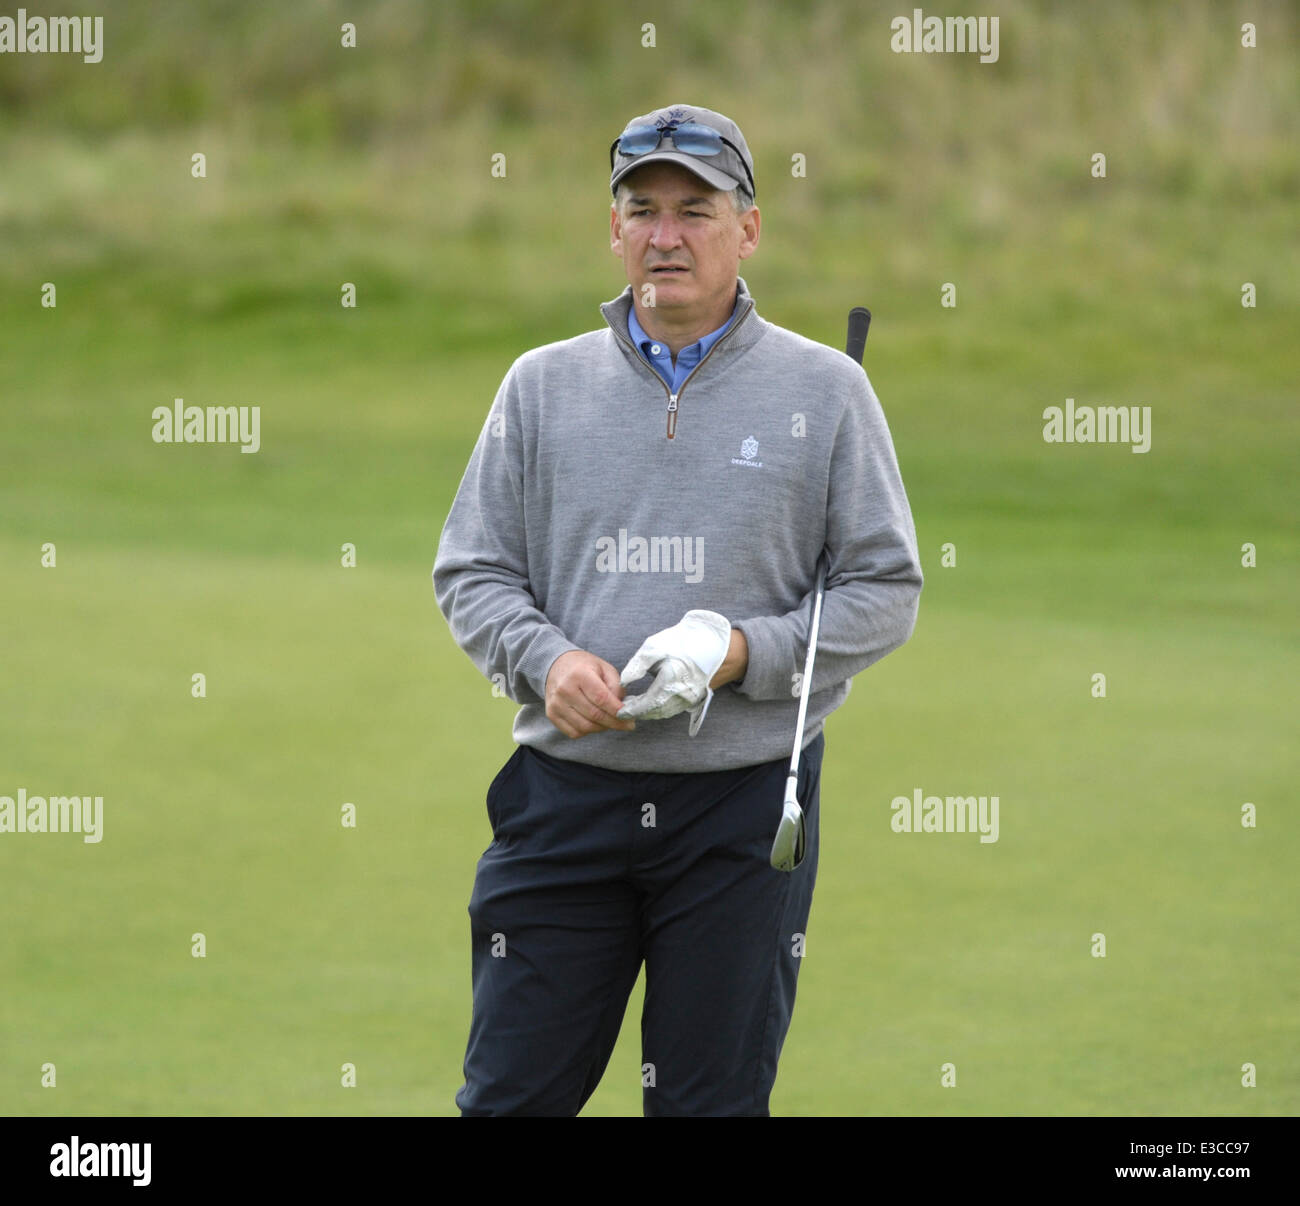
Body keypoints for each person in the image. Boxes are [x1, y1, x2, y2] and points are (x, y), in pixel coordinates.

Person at [433, 103, 922, 1116]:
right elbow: (471, 572)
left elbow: (884, 590)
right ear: (612, 229)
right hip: (562, 801)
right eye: (641, 209)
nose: (666, 235)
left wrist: (740, 649)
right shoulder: (539, 387)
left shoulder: (824, 394)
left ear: (748, 229)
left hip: (739, 810)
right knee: (507, 1099)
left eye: (694, 210)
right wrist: (546, 660)